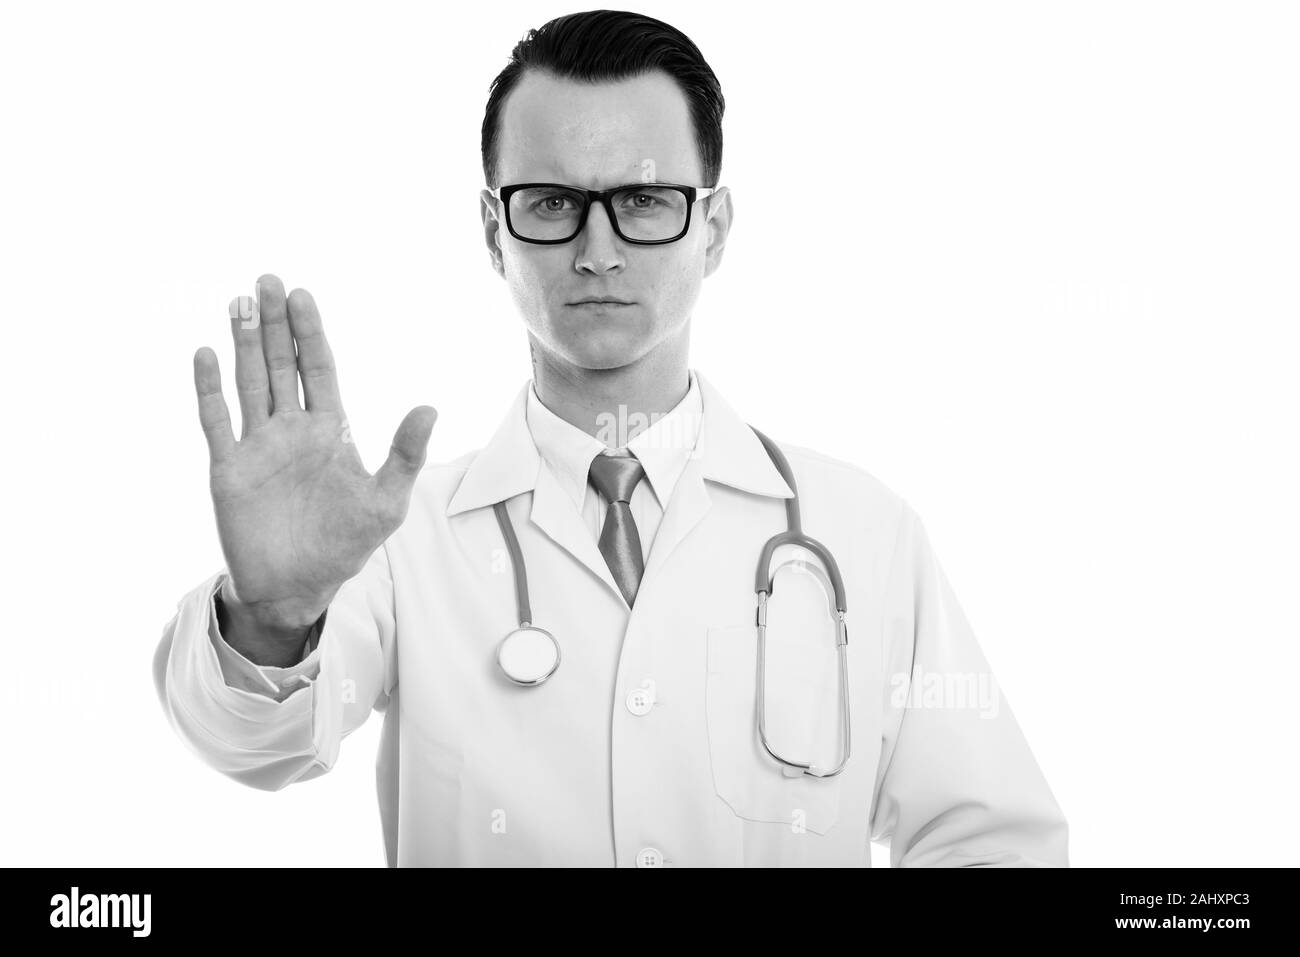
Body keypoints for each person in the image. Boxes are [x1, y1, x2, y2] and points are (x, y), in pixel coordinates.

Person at [154, 9, 1068, 867]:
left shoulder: (864, 533)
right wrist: (272, 616)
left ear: (712, 229)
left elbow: (993, 842)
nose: (598, 249)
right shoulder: (398, 543)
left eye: (643, 199)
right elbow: (254, 745)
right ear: (491, 231)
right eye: (551, 203)